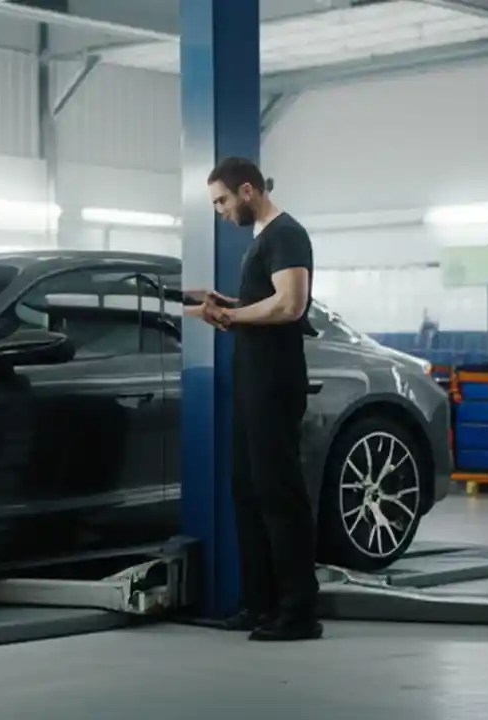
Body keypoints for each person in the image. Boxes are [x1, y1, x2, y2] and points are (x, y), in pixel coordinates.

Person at [186, 156, 323, 642]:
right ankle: (259, 605)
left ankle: (298, 613)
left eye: (221, 200)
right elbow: (264, 300)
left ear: (247, 191)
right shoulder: (262, 240)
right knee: (247, 490)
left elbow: (290, 304)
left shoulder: (287, 234)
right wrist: (225, 303)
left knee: (279, 494)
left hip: (275, 381)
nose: (219, 211)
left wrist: (231, 318)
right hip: (251, 379)